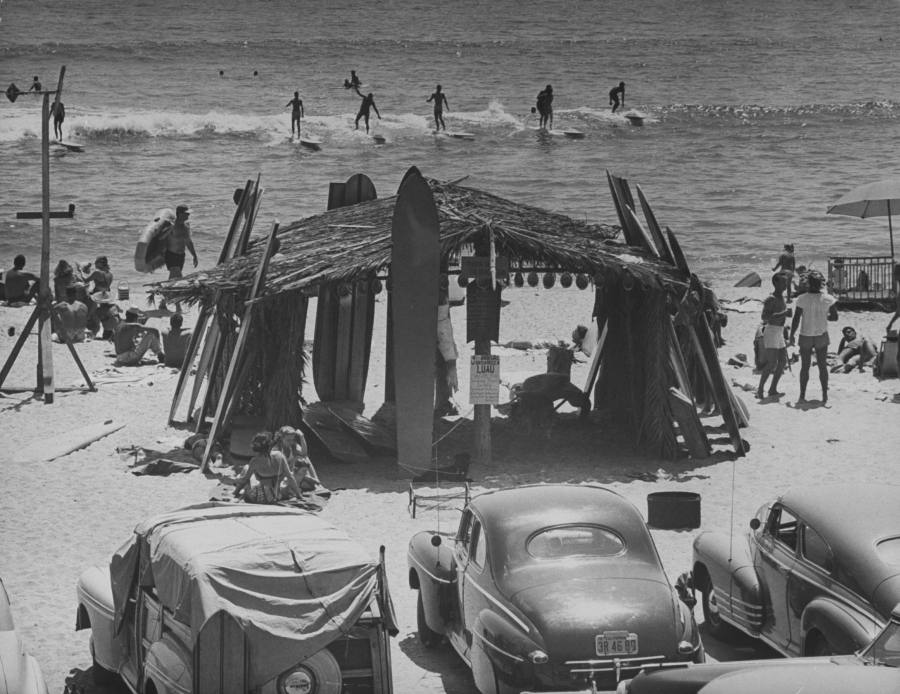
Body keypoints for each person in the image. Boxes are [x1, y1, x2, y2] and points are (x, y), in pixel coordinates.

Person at [789, 270, 837, 404]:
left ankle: (802, 395)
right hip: (821, 335)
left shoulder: (802, 298)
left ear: (808, 283)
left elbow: (796, 318)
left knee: (805, 367)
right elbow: (835, 317)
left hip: (805, 335)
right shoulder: (828, 298)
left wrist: (792, 335)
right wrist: (823, 315)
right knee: (822, 366)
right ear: (821, 284)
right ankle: (825, 395)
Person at [232, 431, 299, 504]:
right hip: (275, 496)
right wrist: (299, 495)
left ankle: (235, 492)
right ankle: (236, 492)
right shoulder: (279, 455)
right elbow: (290, 477)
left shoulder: (255, 461)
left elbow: (244, 480)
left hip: (258, 498)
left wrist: (231, 480)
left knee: (246, 468)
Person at [757, 273, 791, 399]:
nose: (786, 285)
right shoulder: (771, 298)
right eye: (783, 282)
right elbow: (764, 318)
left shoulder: (781, 297)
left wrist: (784, 316)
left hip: (779, 331)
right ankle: (760, 390)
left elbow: (779, 315)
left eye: (786, 282)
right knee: (771, 363)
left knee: (782, 362)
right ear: (776, 283)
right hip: (771, 331)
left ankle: (772, 389)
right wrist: (783, 314)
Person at [435, 288, 460, 417]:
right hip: (440, 322)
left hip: (441, 320)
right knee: (446, 367)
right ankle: (443, 402)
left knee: (445, 367)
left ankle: (444, 401)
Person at [272, 426, 319, 494]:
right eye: (288, 440)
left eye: (292, 440)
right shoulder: (276, 450)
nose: (291, 442)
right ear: (281, 438)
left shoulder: (293, 445)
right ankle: (304, 479)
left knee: (304, 459)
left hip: (293, 474)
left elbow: (304, 454)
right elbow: (278, 470)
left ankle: (313, 478)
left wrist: (302, 437)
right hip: (282, 476)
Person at [163, 204, 198, 280]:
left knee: (175, 277)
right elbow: (161, 239)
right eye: (187, 214)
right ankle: (172, 290)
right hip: (171, 255)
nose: (188, 215)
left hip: (181, 256)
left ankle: (169, 290)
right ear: (180, 214)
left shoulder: (186, 226)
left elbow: (189, 242)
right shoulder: (172, 226)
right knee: (176, 275)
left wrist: (194, 255)